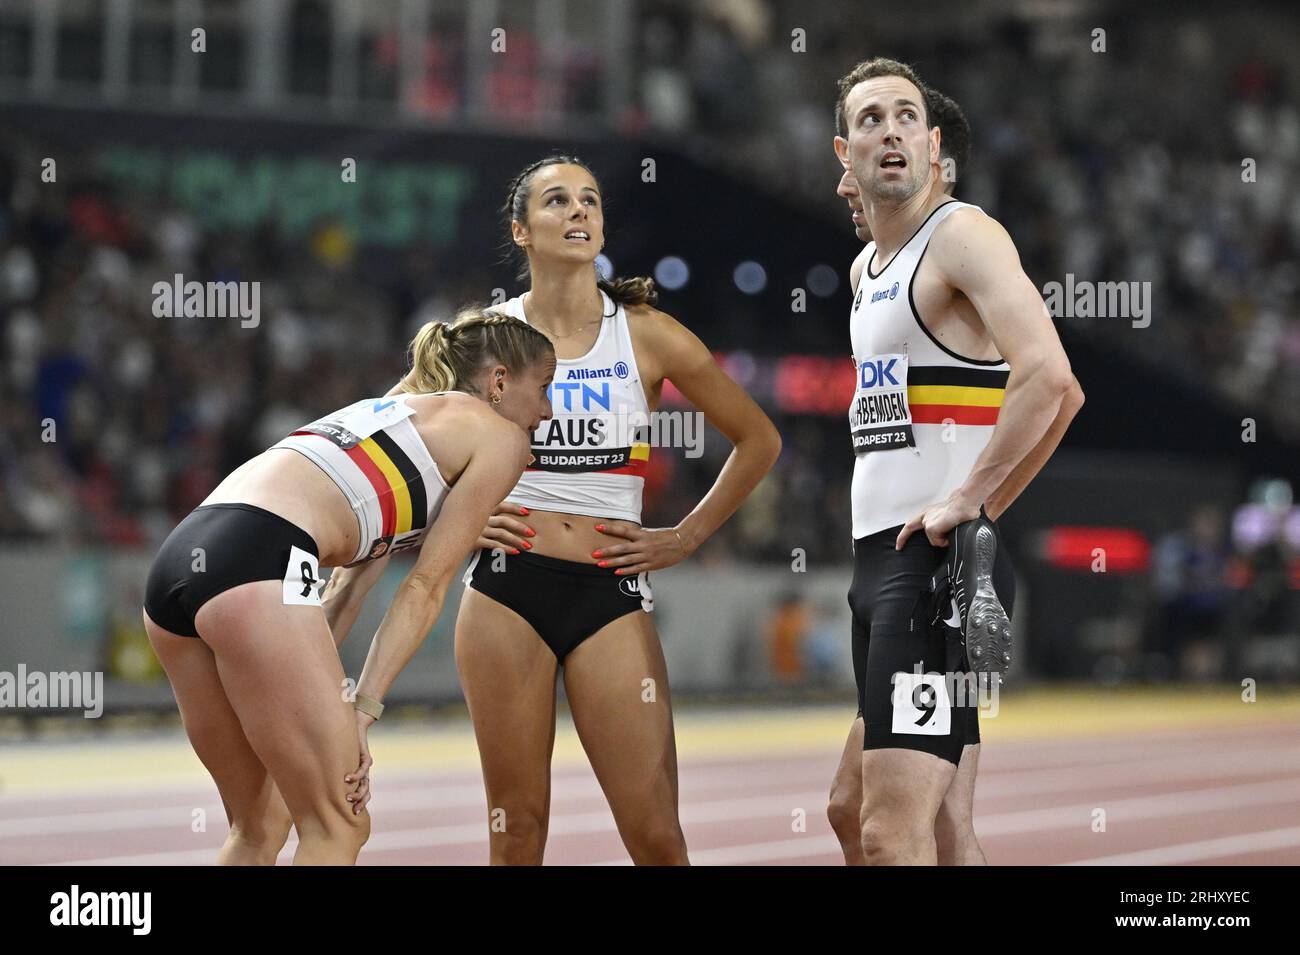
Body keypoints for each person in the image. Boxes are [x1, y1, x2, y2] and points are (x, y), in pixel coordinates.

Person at [452, 155, 781, 865]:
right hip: (508, 590)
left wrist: (686, 536)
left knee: (657, 833)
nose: (579, 212)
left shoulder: (646, 333)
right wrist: (454, 519)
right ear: (522, 230)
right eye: (558, 201)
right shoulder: (484, 338)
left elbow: (759, 438)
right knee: (517, 832)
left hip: (609, 590)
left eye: (591, 202)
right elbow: (397, 440)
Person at [143, 310, 555, 865]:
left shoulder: (388, 410)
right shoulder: (504, 440)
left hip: (180, 561)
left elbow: (342, 589)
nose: (548, 413)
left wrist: (324, 705)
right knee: (338, 825)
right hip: (261, 563)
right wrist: (359, 711)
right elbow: (426, 589)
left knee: (259, 824)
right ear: (500, 382)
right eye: (545, 389)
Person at [828, 58, 1085, 865]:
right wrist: (978, 509)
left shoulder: (964, 233)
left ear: (934, 146)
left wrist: (971, 503)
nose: (891, 131)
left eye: (907, 117)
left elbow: (1053, 381)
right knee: (866, 814)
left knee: (888, 830)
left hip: (930, 577)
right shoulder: (866, 270)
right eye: (871, 121)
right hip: (881, 565)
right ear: (846, 154)